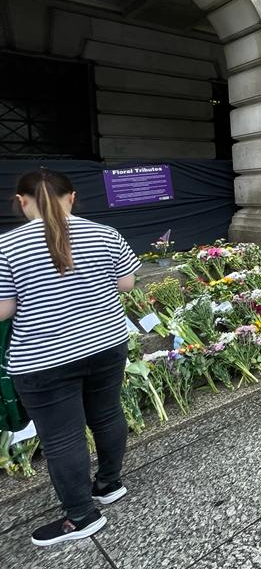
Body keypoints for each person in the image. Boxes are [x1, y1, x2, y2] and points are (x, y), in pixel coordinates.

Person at [0, 169, 140, 547]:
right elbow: (126, 283)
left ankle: (81, 516)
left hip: (43, 359)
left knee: (62, 438)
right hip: (108, 343)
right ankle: (109, 484)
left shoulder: (7, 246)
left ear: (21, 201)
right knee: (108, 413)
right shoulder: (105, 233)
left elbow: (4, 309)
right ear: (72, 198)